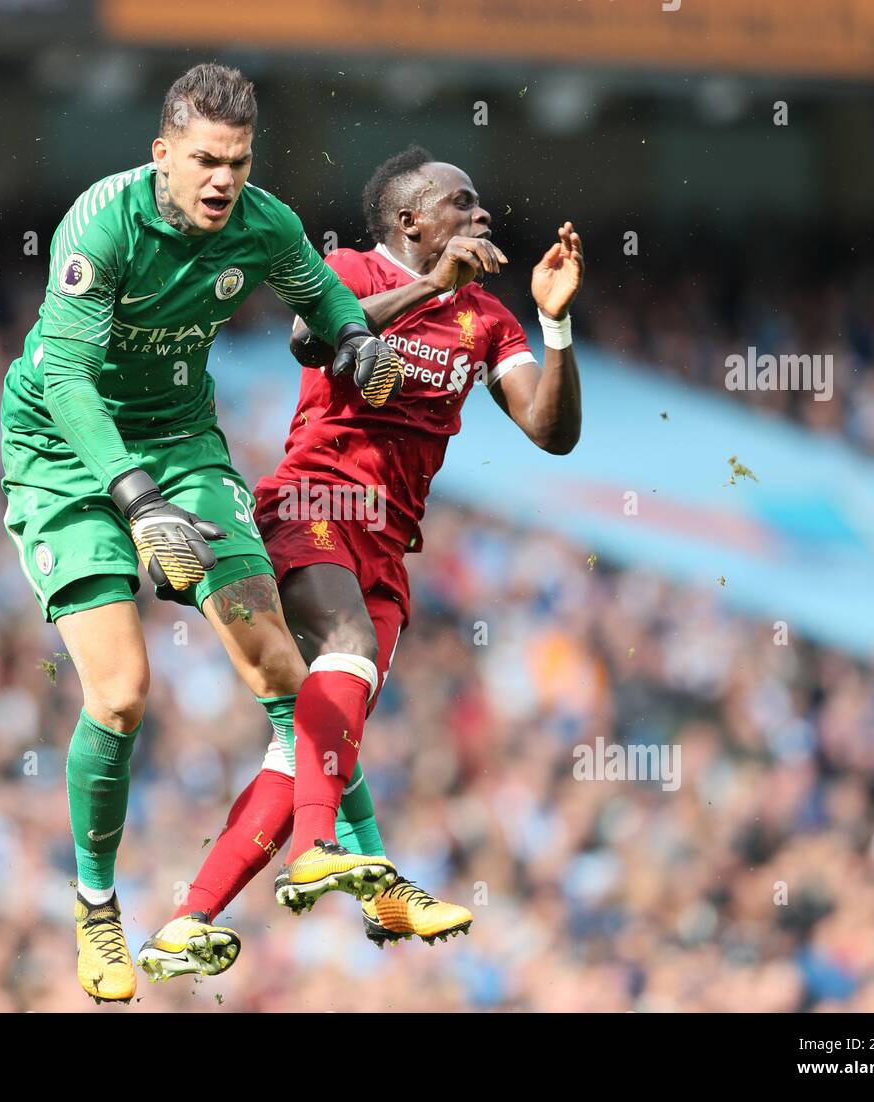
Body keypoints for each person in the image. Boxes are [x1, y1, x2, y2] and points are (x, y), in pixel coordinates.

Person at [0, 62, 406, 1002]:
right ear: (162, 156)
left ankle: (363, 859)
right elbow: (66, 382)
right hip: (65, 450)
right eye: (205, 161)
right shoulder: (101, 223)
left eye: (238, 160)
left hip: (181, 443)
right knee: (122, 696)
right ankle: (97, 906)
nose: (223, 179)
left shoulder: (265, 223)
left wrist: (355, 343)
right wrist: (139, 504)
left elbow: (323, 300)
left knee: (281, 672)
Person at [139, 145, 583, 980]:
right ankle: (317, 850)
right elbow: (313, 338)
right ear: (411, 220)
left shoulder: (487, 319)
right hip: (313, 504)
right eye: (463, 201)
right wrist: (429, 286)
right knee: (342, 652)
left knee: (309, 751)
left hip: (389, 544)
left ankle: (186, 921)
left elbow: (552, 432)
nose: (482, 215)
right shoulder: (351, 267)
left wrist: (554, 323)